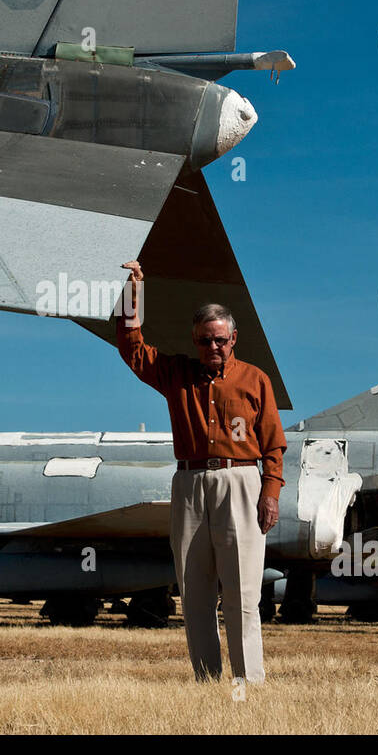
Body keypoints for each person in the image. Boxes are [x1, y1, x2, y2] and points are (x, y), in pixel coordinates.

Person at [116, 259, 286, 683]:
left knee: (243, 591)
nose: (213, 348)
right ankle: (207, 681)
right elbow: (132, 348)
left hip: (241, 481)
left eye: (221, 341)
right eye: (205, 341)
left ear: (234, 340)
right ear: (194, 341)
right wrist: (134, 292)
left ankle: (248, 683)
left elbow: (273, 443)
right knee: (194, 590)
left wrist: (271, 493)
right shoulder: (176, 375)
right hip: (189, 481)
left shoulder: (255, 380)